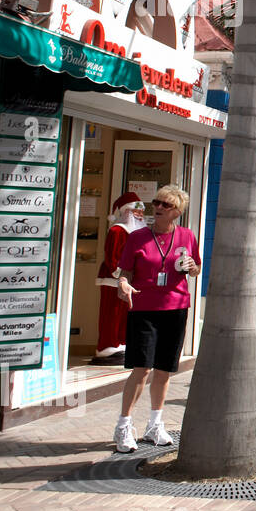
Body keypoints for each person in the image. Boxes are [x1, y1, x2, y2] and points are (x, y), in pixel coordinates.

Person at [113, 185, 202, 453]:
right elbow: (124, 272)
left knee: (164, 369)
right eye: (157, 203)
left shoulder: (186, 236)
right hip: (144, 309)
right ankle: (124, 425)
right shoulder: (137, 237)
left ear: (177, 212)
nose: (159, 208)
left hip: (176, 308)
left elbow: (196, 268)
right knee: (142, 368)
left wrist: (191, 268)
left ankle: (155, 424)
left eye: (166, 205)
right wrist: (124, 285)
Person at [95, 193, 146, 363]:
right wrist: (121, 276)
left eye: (141, 212)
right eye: (135, 212)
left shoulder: (139, 233)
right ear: (127, 212)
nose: (139, 215)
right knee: (112, 313)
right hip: (114, 279)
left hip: (129, 280)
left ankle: (121, 343)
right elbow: (113, 258)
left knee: (125, 314)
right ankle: (107, 346)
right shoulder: (117, 230)